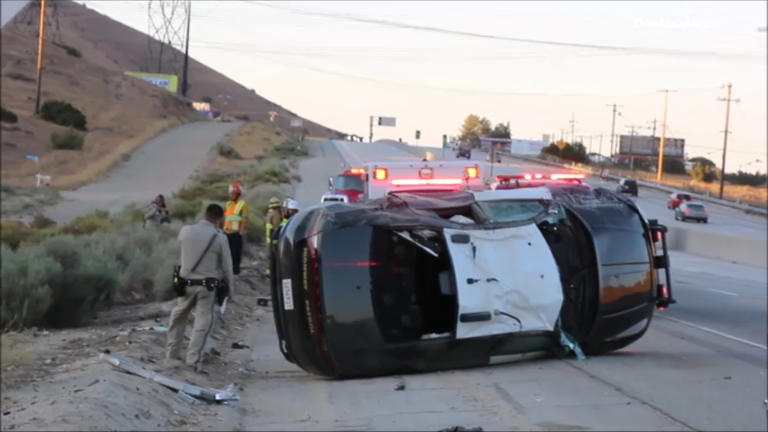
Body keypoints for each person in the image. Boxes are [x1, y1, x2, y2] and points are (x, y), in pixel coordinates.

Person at [165, 204, 234, 372]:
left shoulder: (185, 231)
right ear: (219, 219)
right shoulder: (219, 237)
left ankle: (171, 355)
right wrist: (230, 289)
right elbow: (227, 267)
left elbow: (181, 251)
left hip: (185, 284)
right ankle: (193, 361)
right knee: (202, 322)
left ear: (204, 214)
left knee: (178, 317)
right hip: (207, 287)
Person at [224, 183, 249, 275]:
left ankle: (235, 273)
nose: (230, 195)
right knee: (226, 255)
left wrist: (240, 233)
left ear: (236, 194)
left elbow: (244, 219)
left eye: (231, 193)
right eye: (230, 193)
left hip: (236, 234)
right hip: (226, 233)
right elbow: (226, 218)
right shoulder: (227, 204)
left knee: (235, 255)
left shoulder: (243, 204)